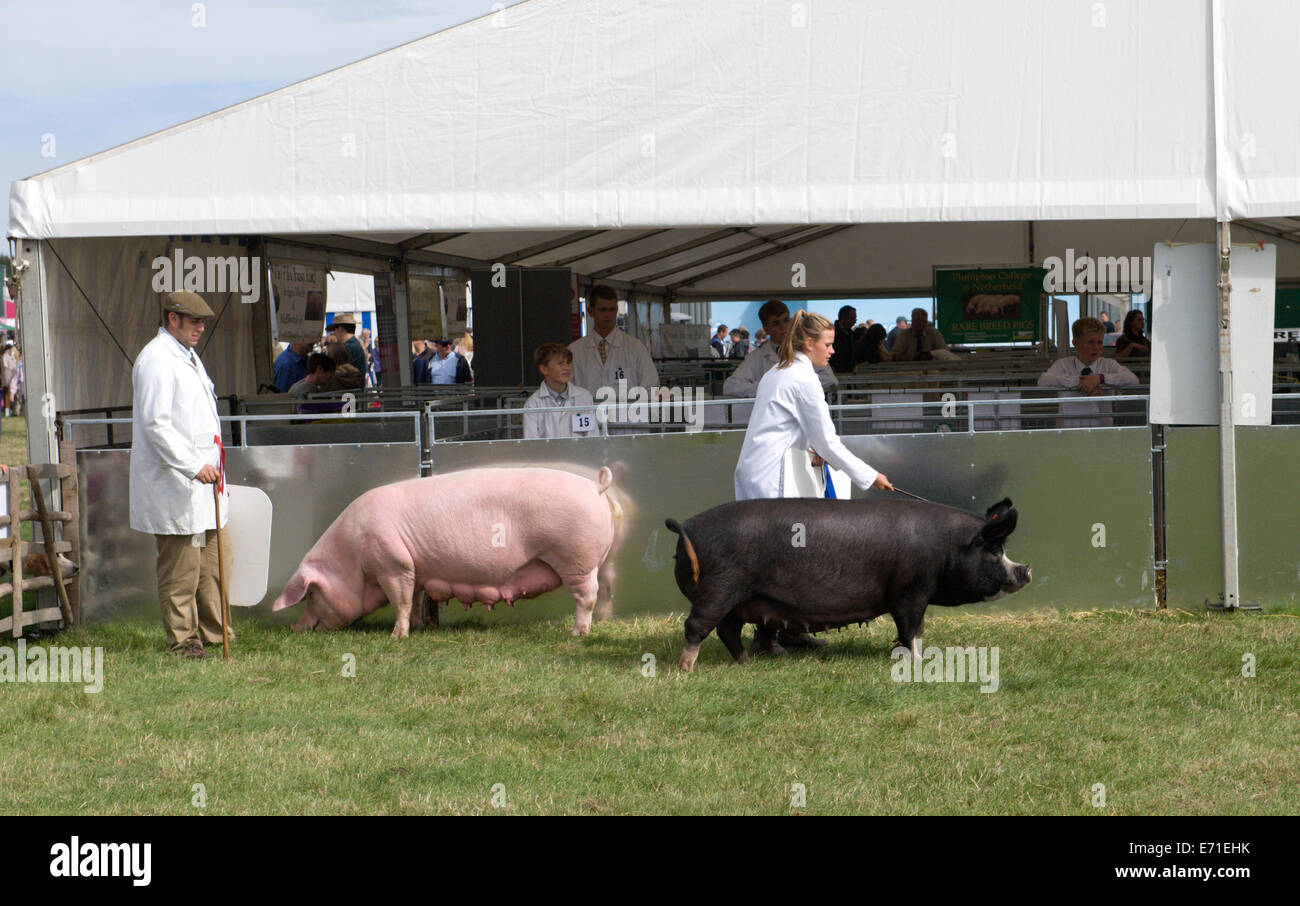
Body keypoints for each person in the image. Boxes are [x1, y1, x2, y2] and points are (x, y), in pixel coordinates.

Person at [734, 310, 894, 653]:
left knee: (781, 557)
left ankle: (789, 631)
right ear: (809, 343)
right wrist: (871, 476)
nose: (833, 351)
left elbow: (789, 428)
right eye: (828, 344)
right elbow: (828, 441)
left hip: (761, 469)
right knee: (783, 559)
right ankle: (767, 637)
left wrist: (811, 447)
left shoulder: (778, 372)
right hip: (774, 476)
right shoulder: (803, 379)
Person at [129, 291, 229, 659]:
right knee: (180, 571)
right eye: (194, 322)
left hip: (205, 482)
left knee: (215, 564)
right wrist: (191, 465)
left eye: (203, 322)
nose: (200, 328)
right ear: (172, 319)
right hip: (176, 482)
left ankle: (218, 634)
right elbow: (156, 425)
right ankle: (184, 642)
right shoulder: (156, 359)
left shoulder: (187, 357)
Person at [723, 300, 837, 397]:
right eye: (776, 323)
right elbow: (731, 386)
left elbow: (829, 380)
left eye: (786, 320)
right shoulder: (757, 357)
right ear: (766, 329)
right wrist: (768, 388)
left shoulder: (807, 349)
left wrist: (791, 387)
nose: (783, 327)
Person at [1038, 317, 1138, 426]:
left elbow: (1133, 380)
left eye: (1099, 342)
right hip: (1068, 432)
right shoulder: (1063, 364)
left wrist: (1100, 378)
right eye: (1090, 342)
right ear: (1075, 343)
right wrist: (1079, 382)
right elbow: (1043, 381)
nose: (1096, 347)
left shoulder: (1109, 365)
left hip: (1103, 431)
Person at [568, 285, 659, 396]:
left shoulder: (636, 348)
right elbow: (567, 390)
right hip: (588, 413)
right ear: (590, 311)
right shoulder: (574, 351)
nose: (608, 315)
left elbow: (651, 386)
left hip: (628, 413)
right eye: (603, 310)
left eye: (612, 309)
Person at [522, 343, 596, 439]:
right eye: (560, 363)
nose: (567, 367)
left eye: (568, 363)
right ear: (544, 369)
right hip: (547, 454)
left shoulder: (584, 397)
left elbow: (593, 436)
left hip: (579, 453)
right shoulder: (533, 404)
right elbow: (531, 444)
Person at [829, 305, 857, 372]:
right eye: (852, 318)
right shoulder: (832, 333)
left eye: (855, 319)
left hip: (848, 372)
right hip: (835, 372)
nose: (855, 321)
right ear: (843, 318)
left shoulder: (851, 334)